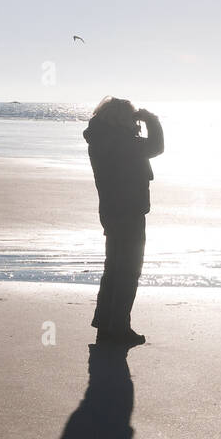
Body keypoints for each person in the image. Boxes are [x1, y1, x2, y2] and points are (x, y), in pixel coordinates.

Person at [84, 97, 164, 345]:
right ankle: (118, 327)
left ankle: (106, 325)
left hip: (111, 209)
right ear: (121, 118)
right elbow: (157, 147)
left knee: (114, 269)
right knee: (128, 271)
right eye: (130, 116)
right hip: (128, 210)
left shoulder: (101, 137)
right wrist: (152, 119)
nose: (133, 121)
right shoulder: (122, 141)